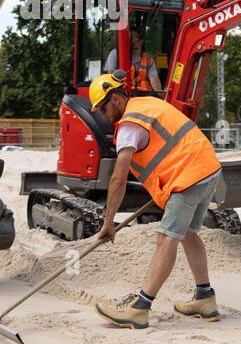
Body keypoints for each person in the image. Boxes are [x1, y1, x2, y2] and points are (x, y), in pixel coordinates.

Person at [87, 69, 225, 329]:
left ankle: (140, 308)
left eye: (102, 109)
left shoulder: (129, 126)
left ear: (115, 99)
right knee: (187, 234)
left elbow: (118, 180)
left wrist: (108, 223)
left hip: (188, 177)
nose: (102, 115)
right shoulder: (148, 104)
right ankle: (205, 298)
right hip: (208, 169)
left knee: (166, 238)